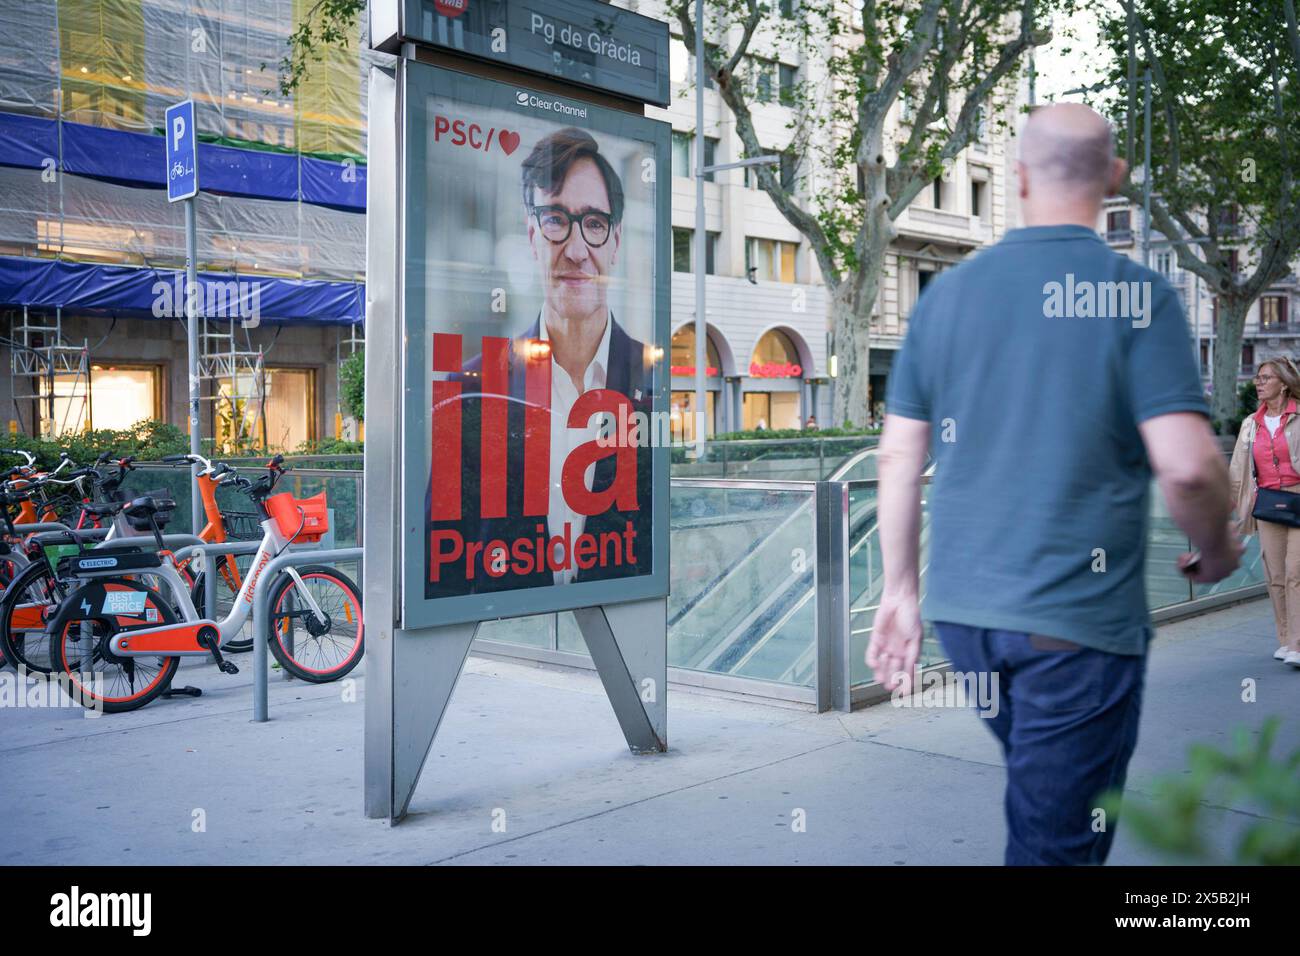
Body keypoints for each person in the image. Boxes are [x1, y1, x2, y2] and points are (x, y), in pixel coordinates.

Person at [868, 102, 1242, 866]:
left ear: (1019, 177)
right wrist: (1219, 548)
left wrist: (899, 593)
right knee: (1057, 846)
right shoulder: (1137, 295)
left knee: (1043, 800)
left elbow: (897, 458)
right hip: (1073, 627)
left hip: (967, 621)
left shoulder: (945, 297)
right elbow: (1189, 465)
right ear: (1116, 177)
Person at [426, 127, 655, 596]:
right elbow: (442, 564)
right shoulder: (472, 386)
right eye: (555, 220)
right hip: (508, 646)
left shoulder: (652, 382)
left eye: (593, 223)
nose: (575, 250)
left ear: (615, 242)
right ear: (532, 237)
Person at [1228, 358, 1300, 666]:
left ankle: (1297, 643)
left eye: (1265, 378)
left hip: (1298, 498)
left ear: (1283, 383)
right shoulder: (1250, 423)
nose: (1258, 383)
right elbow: (1238, 470)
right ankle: (1285, 639)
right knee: (1276, 575)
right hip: (1268, 503)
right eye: (1257, 378)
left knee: (1297, 573)